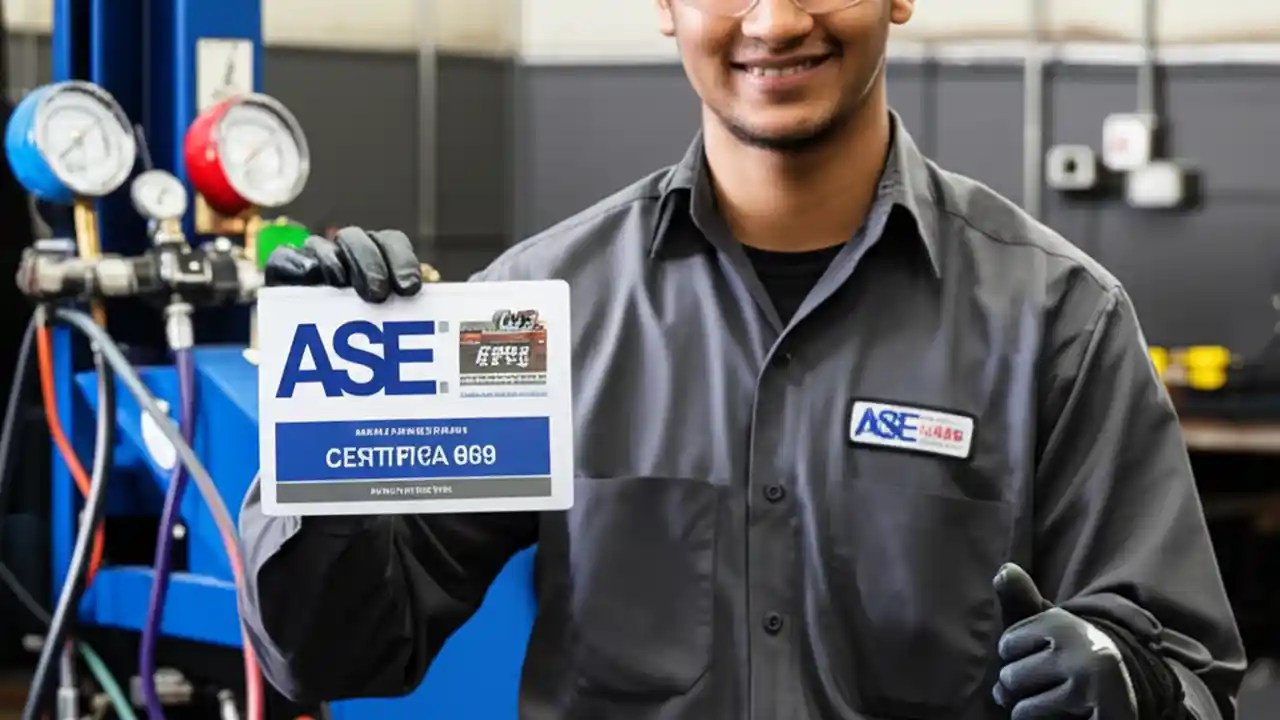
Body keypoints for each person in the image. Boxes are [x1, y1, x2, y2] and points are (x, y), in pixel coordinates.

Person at [238, 0, 1247, 718]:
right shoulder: (536, 315)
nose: (772, 22)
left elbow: (1189, 667)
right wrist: (328, 436)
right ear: (664, 6)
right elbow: (336, 655)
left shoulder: (1055, 319)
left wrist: (1129, 677)